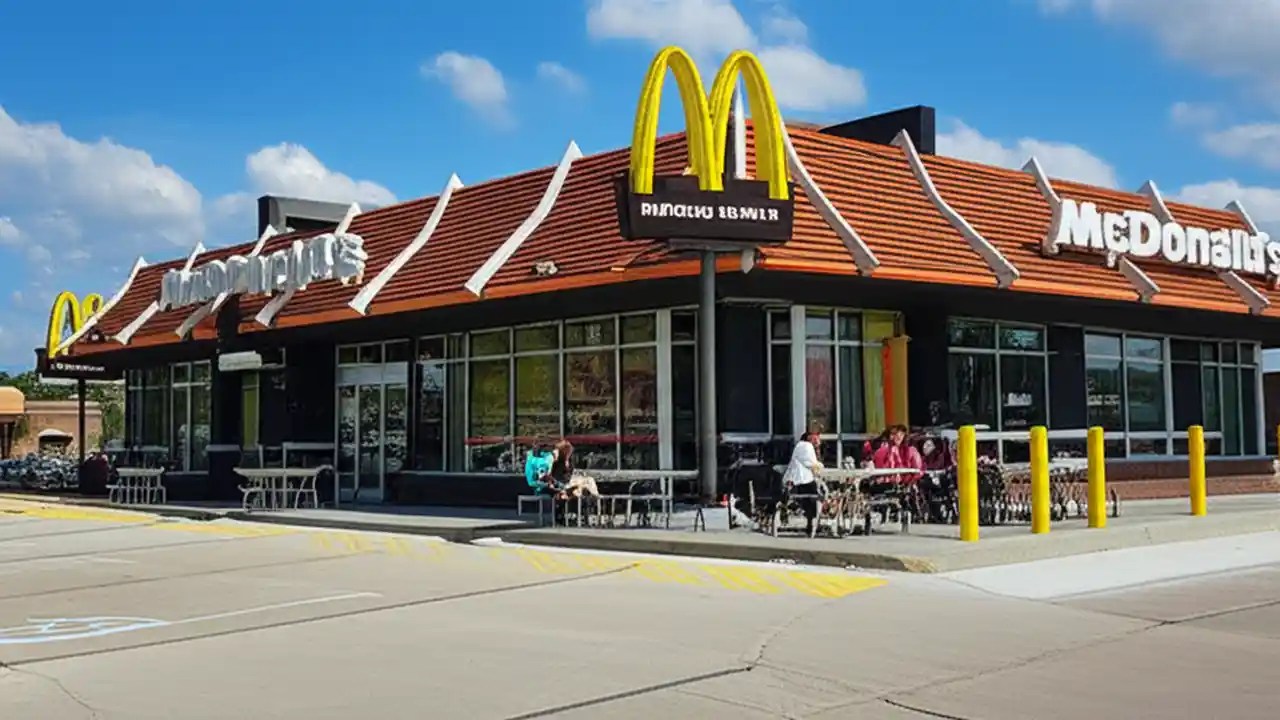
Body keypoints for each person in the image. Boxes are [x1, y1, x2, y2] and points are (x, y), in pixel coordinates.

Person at [781, 431, 824, 536]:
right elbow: (811, 463)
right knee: (817, 495)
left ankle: (809, 520)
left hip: (794, 480)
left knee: (809, 497)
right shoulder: (806, 446)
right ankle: (812, 522)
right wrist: (819, 465)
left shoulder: (799, 446)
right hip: (804, 480)